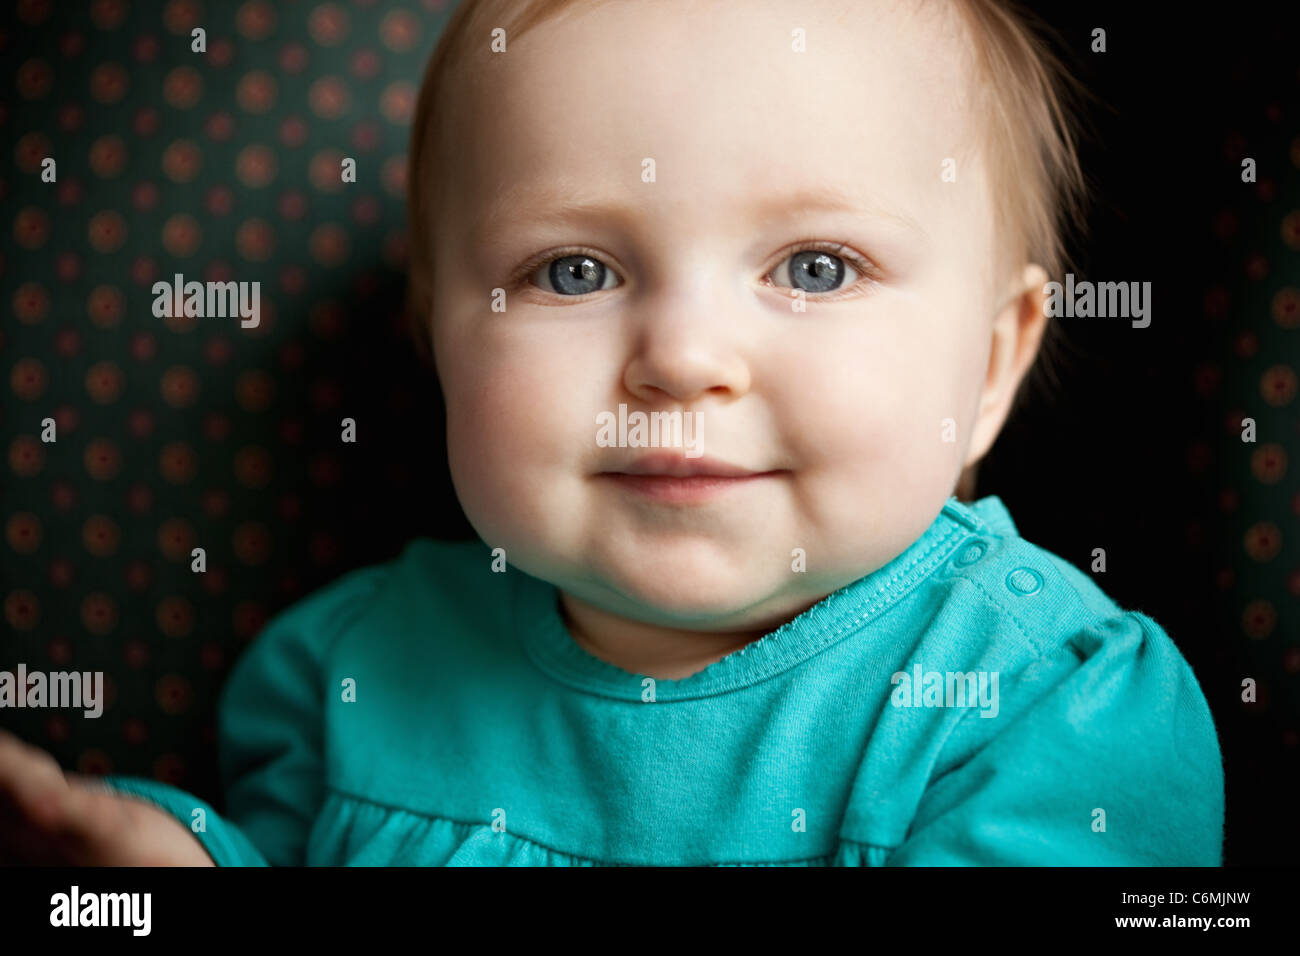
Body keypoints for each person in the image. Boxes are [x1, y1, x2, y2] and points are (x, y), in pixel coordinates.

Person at [0, 0, 1224, 866]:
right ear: (435, 341)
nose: (683, 356)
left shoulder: (1044, 710)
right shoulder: (351, 668)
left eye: (815, 263)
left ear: (995, 359)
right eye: (573, 269)